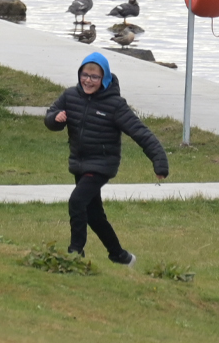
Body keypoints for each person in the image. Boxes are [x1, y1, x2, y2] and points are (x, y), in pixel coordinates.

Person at [41, 52, 168, 265]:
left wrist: (160, 161)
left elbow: (141, 133)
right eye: (85, 75)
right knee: (93, 214)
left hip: (101, 165)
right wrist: (56, 119)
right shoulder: (70, 96)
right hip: (80, 164)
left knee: (77, 201)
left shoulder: (115, 105)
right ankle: (120, 255)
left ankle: (75, 254)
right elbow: (50, 116)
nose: (88, 81)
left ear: (105, 79)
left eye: (95, 77)